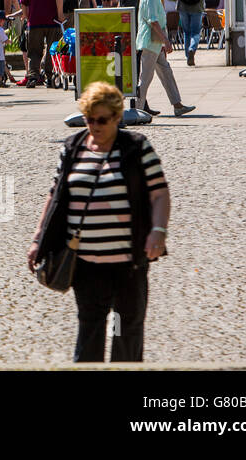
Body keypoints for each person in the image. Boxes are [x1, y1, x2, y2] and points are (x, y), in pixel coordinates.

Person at [28, 82, 171, 362]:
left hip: (127, 266)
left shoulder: (136, 147)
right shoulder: (74, 147)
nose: (95, 126)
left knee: (125, 335)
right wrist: (38, 238)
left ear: (118, 117)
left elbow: (160, 193)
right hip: (85, 266)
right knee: (89, 334)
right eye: (89, 119)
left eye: (102, 120)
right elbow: (54, 195)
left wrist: (158, 230)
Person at [134, 0, 195, 117]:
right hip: (150, 43)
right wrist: (166, 41)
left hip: (154, 44)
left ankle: (177, 104)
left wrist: (162, 42)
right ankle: (138, 109)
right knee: (146, 78)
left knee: (166, 73)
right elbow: (153, 22)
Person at [20, 0, 64, 88]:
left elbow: (23, 2)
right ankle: (50, 77)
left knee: (34, 51)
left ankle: (33, 76)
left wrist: (26, 16)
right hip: (52, 22)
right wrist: (60, 14)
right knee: (52, 49)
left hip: (34, 23)